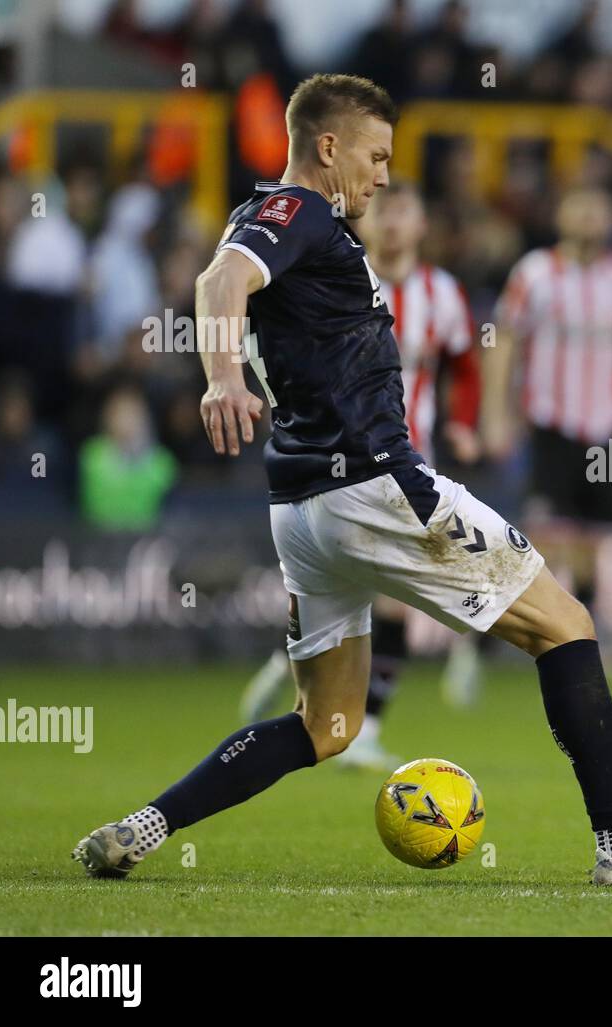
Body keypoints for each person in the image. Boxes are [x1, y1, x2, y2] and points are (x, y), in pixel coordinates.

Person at [73, 73, 612, 887]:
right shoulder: (299, 210)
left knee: (329, 722)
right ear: (328, 147)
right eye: (376, 156)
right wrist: (221, 378)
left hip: (303, 509)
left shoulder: (297, 225)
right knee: (566, 624)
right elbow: (218, 283)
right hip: (375, 484)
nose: (384, 176)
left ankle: (143, 825)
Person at [238, 180, 484, 766]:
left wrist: (467, 423)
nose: (394, 223)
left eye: (406, 210)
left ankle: (360, 720)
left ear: (423, 225)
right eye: (385, 211)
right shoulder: (335, 279)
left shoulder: (441, 293)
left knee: (390, 598)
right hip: (340, 460)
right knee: (367, 591)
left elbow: (464, 366)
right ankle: (306, 671)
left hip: (410, 460)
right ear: (365, 222)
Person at [484, 187, 612, 636]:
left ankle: (583, 632)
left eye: (598, 207)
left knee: (595, 535)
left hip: (608, 421)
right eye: (579, 206)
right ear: (560, 215)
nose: (589, 217)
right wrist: (494, 414)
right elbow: (503, 341)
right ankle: (520, 629)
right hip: (550, 419)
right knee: (545, 532)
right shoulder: (535, 272)